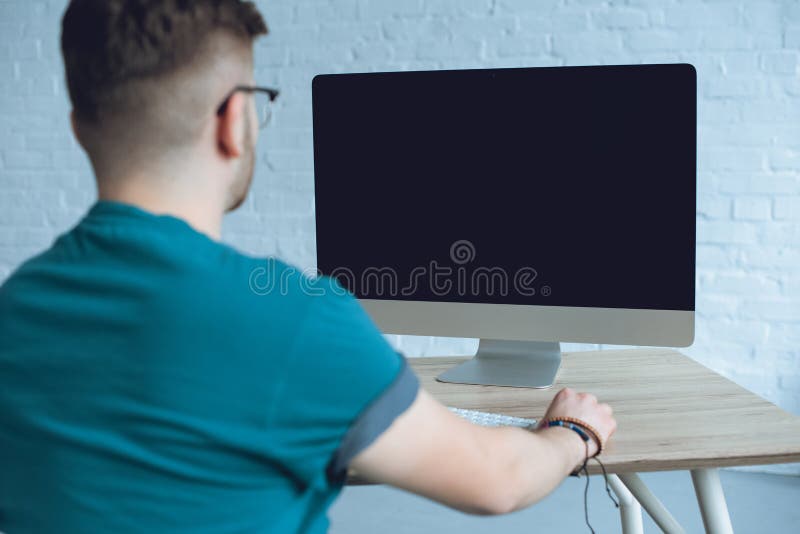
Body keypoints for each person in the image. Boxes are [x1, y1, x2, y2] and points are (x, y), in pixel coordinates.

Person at [0, 1, 617, 532]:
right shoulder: (294, 321)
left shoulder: (14, 311)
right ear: (234, 120)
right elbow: (496, 480)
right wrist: (571, 431)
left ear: (80, 127)